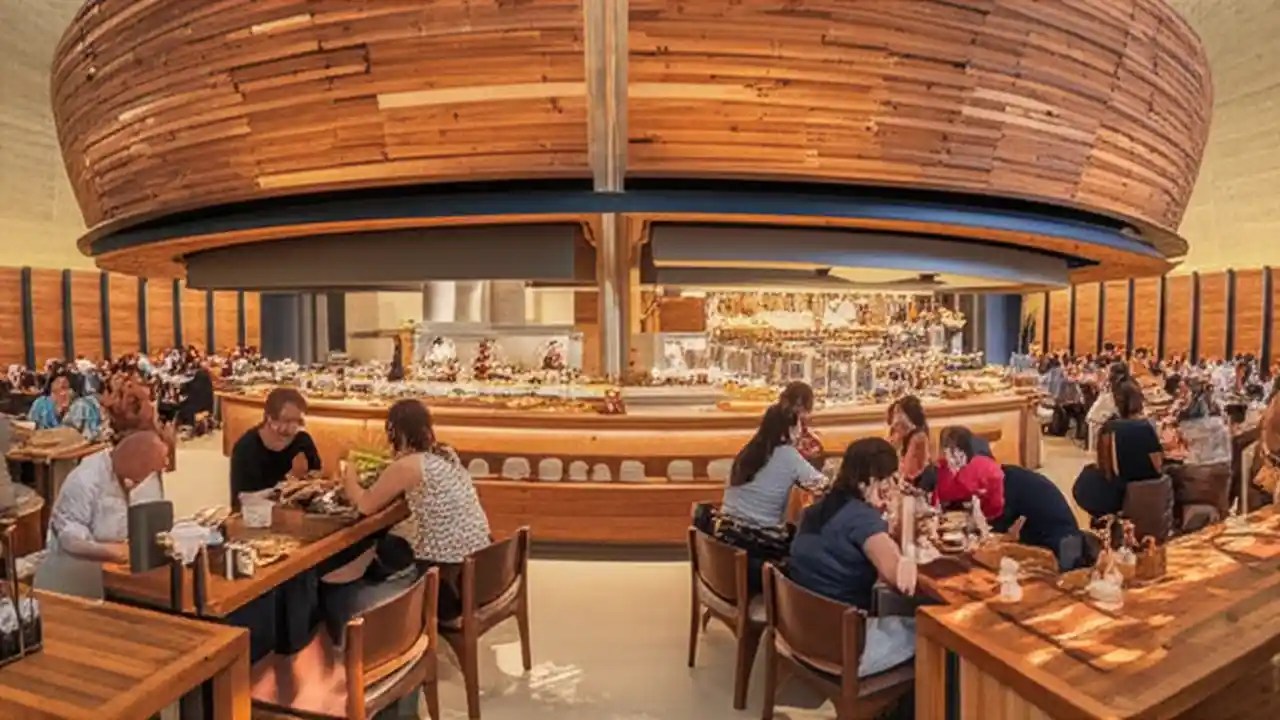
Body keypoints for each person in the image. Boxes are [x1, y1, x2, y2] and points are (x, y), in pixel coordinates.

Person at [340, 399, 490, 622]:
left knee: (346, 601)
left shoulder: (408, 465)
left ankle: (380, 612)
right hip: (478, 571)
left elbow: (364, 505)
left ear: (395, 432)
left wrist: (349, 473)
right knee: (391, 544)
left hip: (445, 584)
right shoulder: (446, 453)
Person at [787, 438, 918, 677]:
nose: (892, 487)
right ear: (872, 480)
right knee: (929, 631)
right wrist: (903, 519)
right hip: (841, 646)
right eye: (890, 479)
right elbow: (902, 581)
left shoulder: (815, 511)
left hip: (799, 630)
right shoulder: (862, 519)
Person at [717, 404, 829, 591]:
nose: (801, 431)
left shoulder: (748, 451)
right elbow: (823, 485)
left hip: (727, 543)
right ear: (789, 429)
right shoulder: (787, 454)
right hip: (758, 549)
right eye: (799, 426)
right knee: (810, 546)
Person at [1072, 380, 1164, 520]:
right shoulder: (1145, 427)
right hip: (1141, 489)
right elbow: (1157, 467)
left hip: (1111, 491)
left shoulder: (1109, 428)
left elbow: (1102, 463)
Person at [229, 387, 322, 506]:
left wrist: (306, 480)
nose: (292, 428)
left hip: (297, 512)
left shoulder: (302, 441)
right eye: (286, 421)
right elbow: (244, 500)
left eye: (298, 421)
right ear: (270, 418)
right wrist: (289, 483)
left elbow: (316, 475)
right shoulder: (247, 448)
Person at [934, 426, 1005, 521]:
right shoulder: (935, 472)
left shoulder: (988, 470)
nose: (956, 461)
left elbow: (997, 508)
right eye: (951, 455)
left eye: (961, 455)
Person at [888, 395, 930, 485]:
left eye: (899, 413)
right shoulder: (896, 434)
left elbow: (909, 474)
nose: (894, 423)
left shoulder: (918, 438)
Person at [778, 381, 823, 466]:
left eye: (803, 408)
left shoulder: (810, 438)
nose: (799, 411)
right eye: (797, 405)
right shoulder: (774, 426)